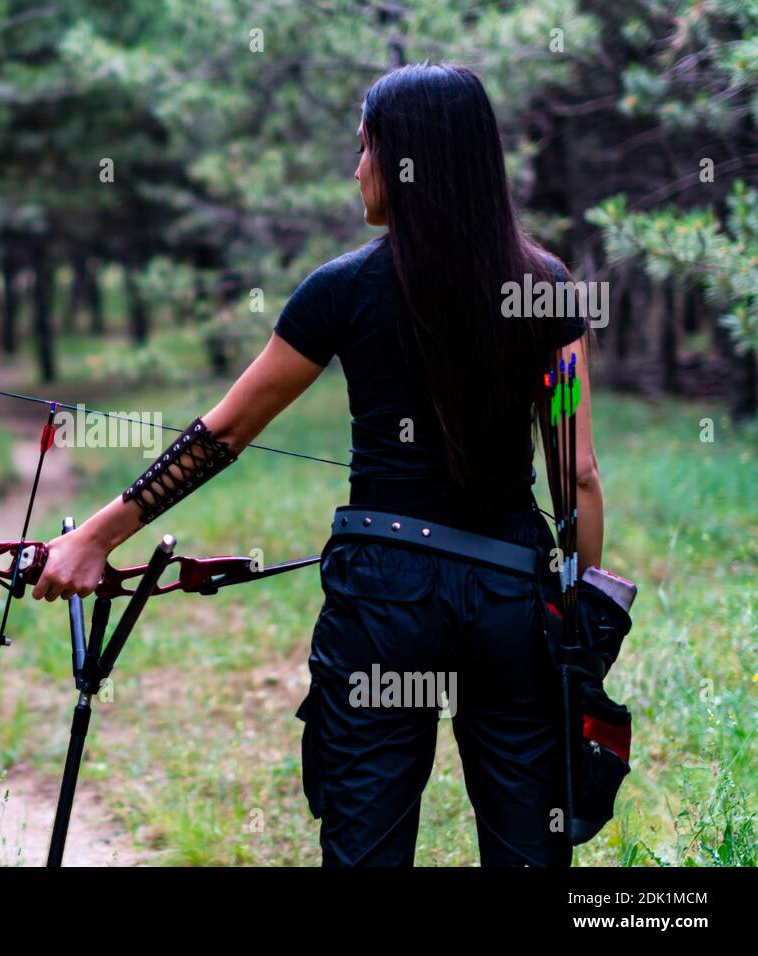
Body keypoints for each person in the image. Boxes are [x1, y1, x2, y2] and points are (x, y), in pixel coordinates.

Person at [31, 62, 603, 867]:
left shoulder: (342, 289)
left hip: (383, 601)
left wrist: (96, 535)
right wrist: (575, 617)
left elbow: (220, 435)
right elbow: (577, 476)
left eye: (364, 147)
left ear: (401, 158)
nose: (356, 169)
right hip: (510, 601)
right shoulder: (547, 289)